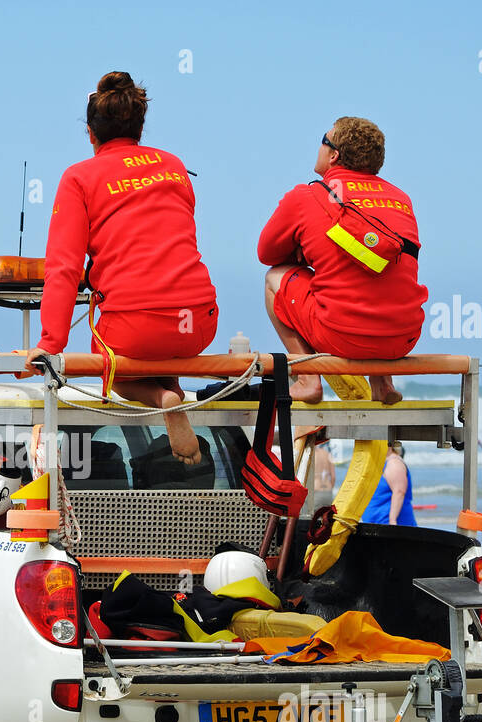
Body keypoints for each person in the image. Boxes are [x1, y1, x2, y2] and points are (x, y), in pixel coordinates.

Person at [25, 71, 219, 465]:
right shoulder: (174, 166)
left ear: (91, 134)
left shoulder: (79, 177)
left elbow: (63, 268)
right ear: (140, 125)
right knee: (161, 346)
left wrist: (50, 344)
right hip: (198, 322)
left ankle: (163, 398)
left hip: (136, 326)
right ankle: (170, 391)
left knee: (118, 371)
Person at [258, 117, 427, 406]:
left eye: (323, 141)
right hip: (404, 338)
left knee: (276, 276)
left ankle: (307, 379)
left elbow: (266, 254)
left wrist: (301, 249)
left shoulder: (307, 196)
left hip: (342, 336)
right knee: (375, 274)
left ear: (334, 154)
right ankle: (383, 383)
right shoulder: (401, 198)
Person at [361, 441, 417, 526]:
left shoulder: (393, 463)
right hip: (376, 526)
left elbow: (399, 492)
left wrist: (392, 521)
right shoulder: (379, 462)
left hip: (392, 527)